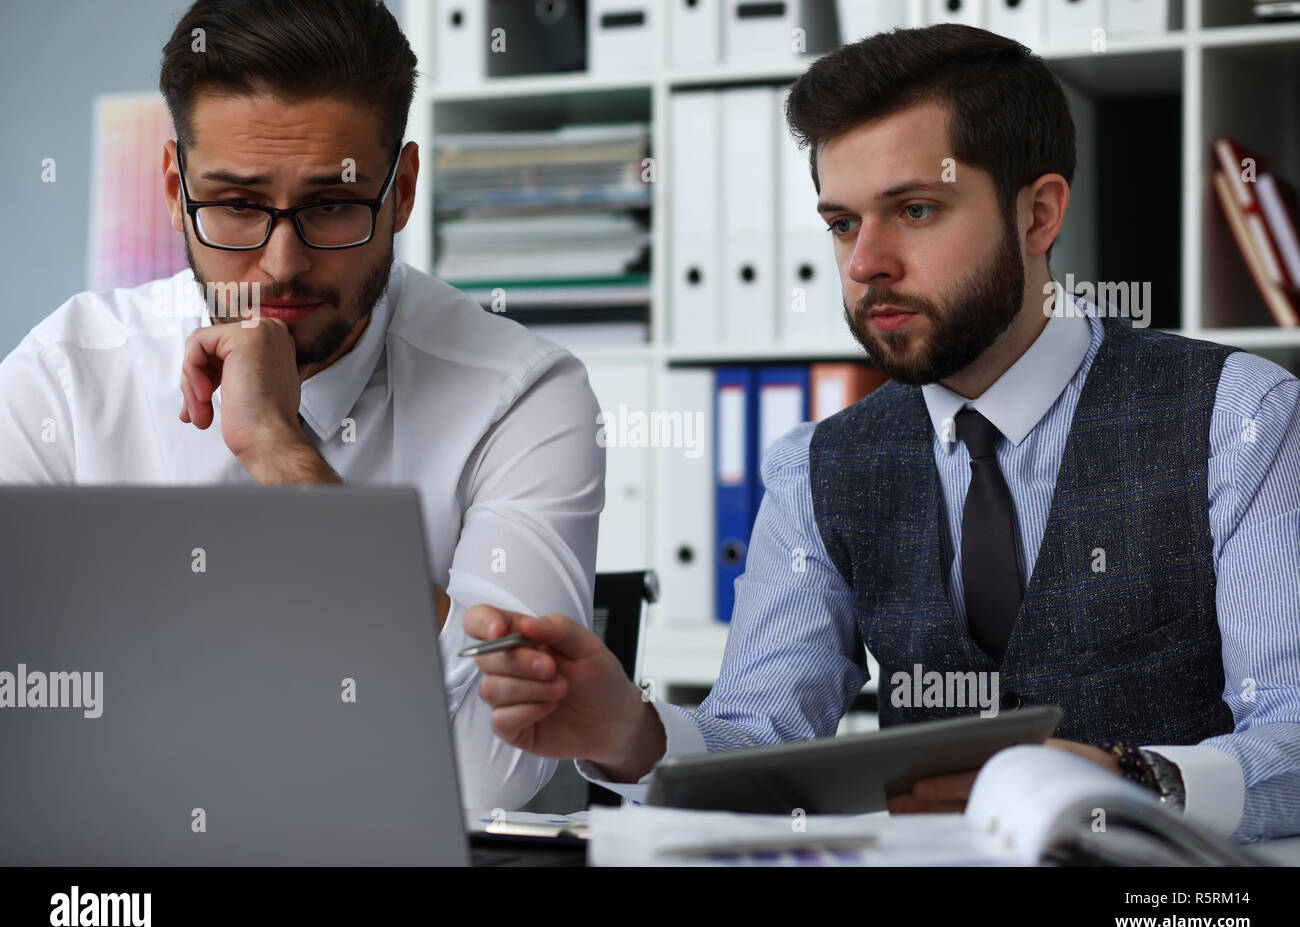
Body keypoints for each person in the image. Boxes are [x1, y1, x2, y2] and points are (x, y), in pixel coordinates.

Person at [464, 24, 1300, 842]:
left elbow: (1293, 740)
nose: (865, 263)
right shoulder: (817, 468)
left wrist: (1129, 783)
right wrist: (632, 733)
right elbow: (763, 739)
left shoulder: (1239, 419)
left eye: (916, 209)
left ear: (1040, 215)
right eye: (842, 223)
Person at [0, 0, 603, 810]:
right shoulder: (67, 377)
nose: (282, 264)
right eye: (240, 205)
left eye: (331, 205)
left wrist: (286, 461)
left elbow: (491, 773)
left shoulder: (524, 394)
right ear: (176, 188)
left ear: (403, 191)